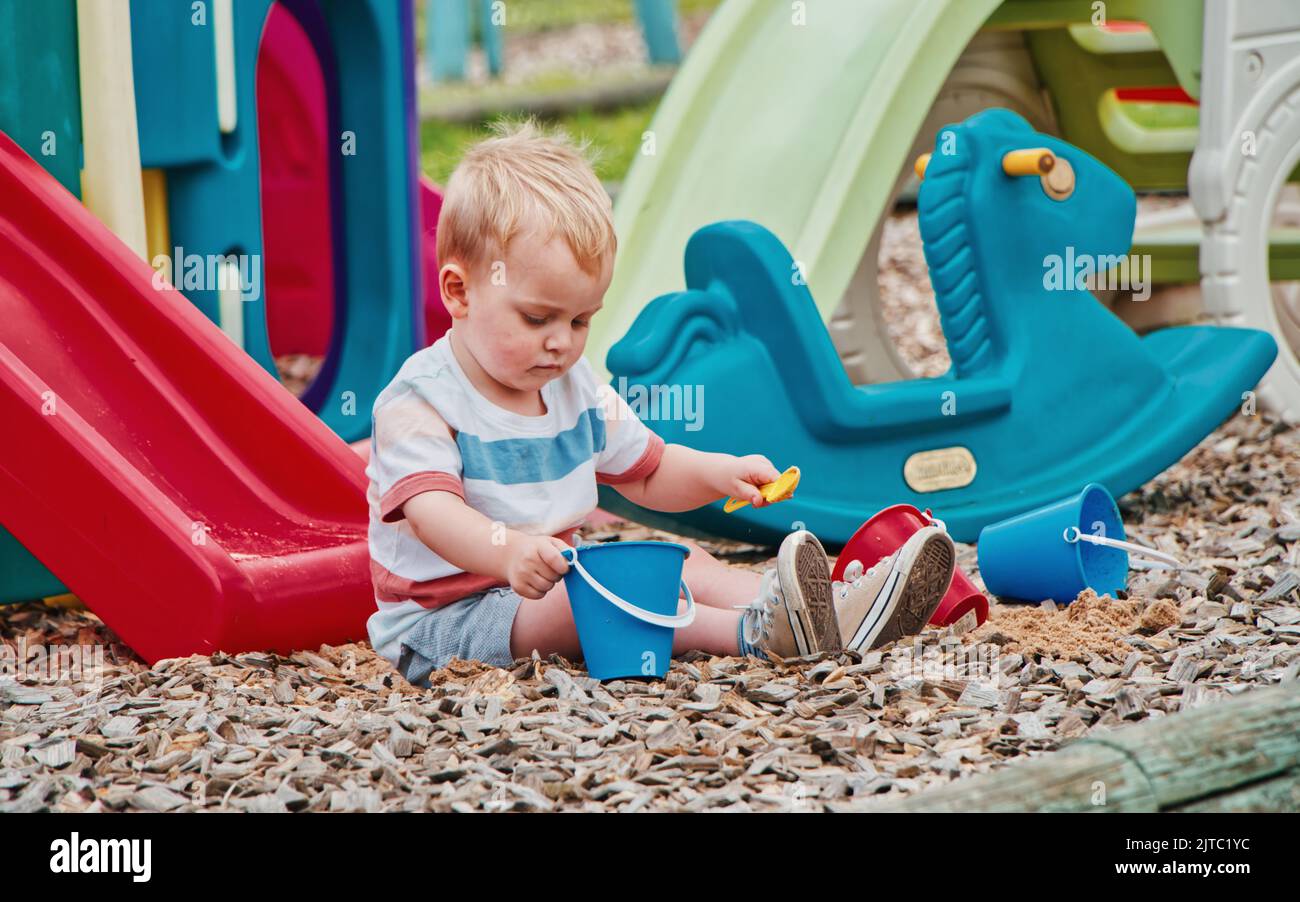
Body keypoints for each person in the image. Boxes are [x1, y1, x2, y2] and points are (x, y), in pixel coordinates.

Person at [365, 121, 954, 686]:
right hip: (445, 623)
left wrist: (719, 473)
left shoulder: (570, 385)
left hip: (548, 584)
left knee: (680, 558)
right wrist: (508, 552)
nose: (561, 341)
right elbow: (433, 513)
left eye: (580, 320)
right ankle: (755, 633)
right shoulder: (422, 399)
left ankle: (824, 608)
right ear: (459, 291)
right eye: (537, 317)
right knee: (601, 601)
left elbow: (649, 472)